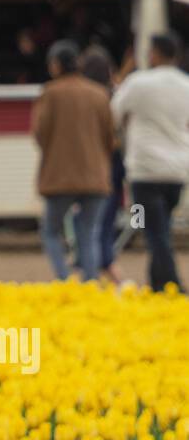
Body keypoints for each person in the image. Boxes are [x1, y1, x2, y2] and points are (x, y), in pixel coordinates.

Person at [31, 39, 114, 282]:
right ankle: (90, 281)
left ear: (56, 65)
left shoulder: (50, 93)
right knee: (89, 233)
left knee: (50, 231)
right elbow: (110, 138)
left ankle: (65, 280)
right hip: (95, 176)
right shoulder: (99, 94)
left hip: (59, 177)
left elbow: (40, 134)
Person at [112, 31, 189, 292]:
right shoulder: (185, 84)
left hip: (145, 170)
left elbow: (114, 112)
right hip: (178, 170)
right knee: (161, 227)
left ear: (154, 54)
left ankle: (173, 286)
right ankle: (158, 286)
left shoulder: (138, 83)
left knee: (155, 233)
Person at [81, 45, 128, 282]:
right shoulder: (116, 94)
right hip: (115, 162)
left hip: (91, 162)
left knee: (90, 219)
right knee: (107, 216)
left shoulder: (85, 97)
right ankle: (106, 261)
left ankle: (96, 263)